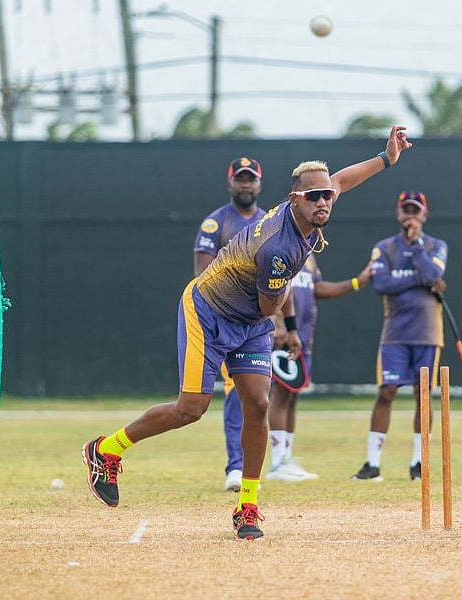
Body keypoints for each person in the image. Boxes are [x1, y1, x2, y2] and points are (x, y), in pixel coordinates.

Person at [83, 125, 413, 540]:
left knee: (257, 404)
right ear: (297, 199)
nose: (325, 201)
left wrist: (386, 158)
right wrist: (282, 323)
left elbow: (345, 178)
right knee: (192, 409)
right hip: (208, 312)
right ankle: (107, 449)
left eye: (326, 195)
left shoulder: (312, 207)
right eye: (315, 196)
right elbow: (269, 305)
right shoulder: (279, 249)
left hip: (250, 321)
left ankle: (248, 506)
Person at [352, 190, 448, 482]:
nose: (410, 216)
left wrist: (418, 248)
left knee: (424, 395)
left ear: (424, 215)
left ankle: (419, 463)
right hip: (395, 334)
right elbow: (380, 284)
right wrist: (417, 278)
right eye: (406, 210)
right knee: (387, 391)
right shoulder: (384, 247)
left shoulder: (435, 245)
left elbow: (433, 276)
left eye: (415, 211)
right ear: (398, 214)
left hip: (427, 334)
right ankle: (372, 463)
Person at [193, 157, 267, 493]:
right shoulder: (216, 223)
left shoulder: (270, 222)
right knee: (230, 393)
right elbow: (202, 276)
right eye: (240, 179)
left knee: (258, 398)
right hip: (223, 321)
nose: (246, 184)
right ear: (230, 183)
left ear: (259, 184)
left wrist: (283, 321)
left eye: (251, 179)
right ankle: (235, 466)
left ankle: (254, 467)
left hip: (259, 323)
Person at [266, 256, 372, 482]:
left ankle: (286, 457)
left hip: (302, 336)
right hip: (280, 336)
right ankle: (277, 463)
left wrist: (356, 283)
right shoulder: (279, 246)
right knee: (280, 394)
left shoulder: (308, 255)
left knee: (292, 396)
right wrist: (275, 324)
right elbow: (265, 286)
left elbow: (317, 288)